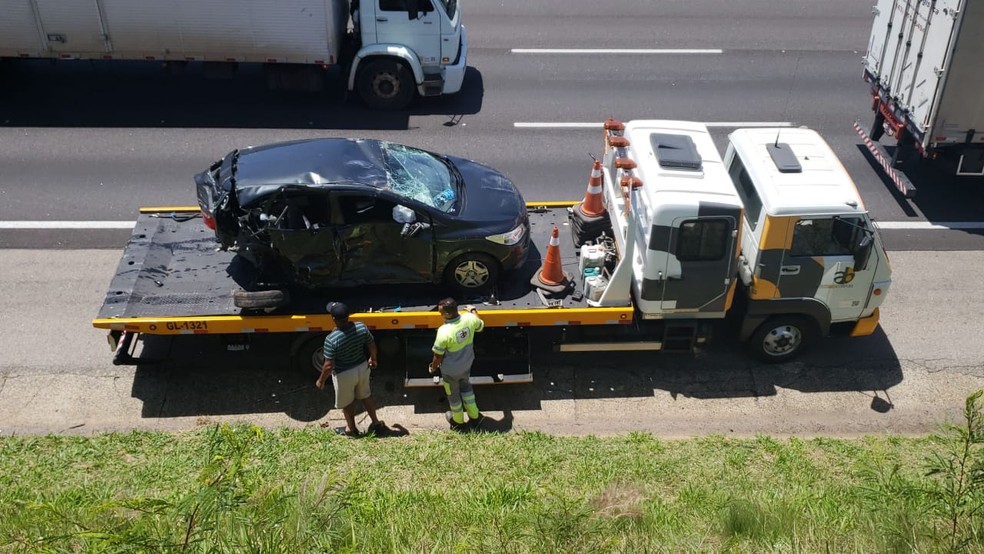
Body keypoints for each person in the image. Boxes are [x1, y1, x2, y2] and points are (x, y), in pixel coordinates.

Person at [316, 302, 385, 437]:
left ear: (333, 319)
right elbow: (371, 343)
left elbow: (328, 365)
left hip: (344, 374)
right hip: (362, 368)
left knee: (347, 403)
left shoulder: (331, 339)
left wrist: (321, 380)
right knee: (366, 395)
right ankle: (376, 423)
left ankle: (351, 429)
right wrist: (373, 358)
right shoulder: (361, 327)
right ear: (348, 316)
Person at [429, 298, 485, 431]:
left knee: (453, 394)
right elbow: (481, 325)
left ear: (447, 314)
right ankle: (475, 417)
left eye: (441, 313)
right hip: (466, 364)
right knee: (466, 388)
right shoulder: (469, 319)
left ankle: (458, 421)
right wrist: (473, 310)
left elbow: (438, 356)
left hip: (450, 371)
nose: (440, 314)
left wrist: (433, 367)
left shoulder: (444, 331)